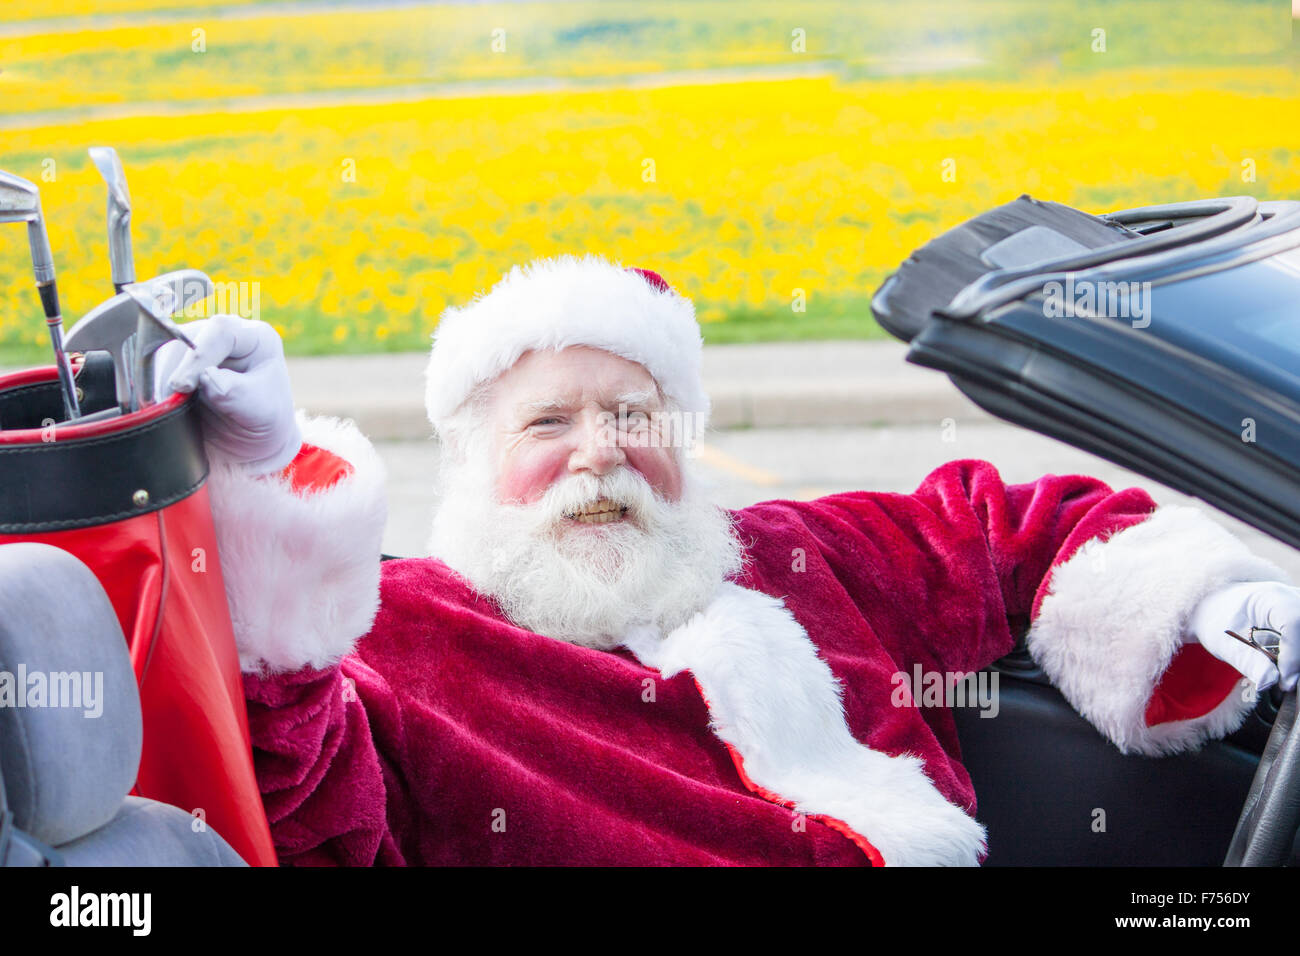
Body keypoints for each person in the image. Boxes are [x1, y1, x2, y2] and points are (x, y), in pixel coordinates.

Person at [157, 254, 1300, 866]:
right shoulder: (401, 631)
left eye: (635, 417)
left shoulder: (797, 553)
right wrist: (268, 482)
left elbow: (1006, 525)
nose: (599, 453)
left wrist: (1226, 607)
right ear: (471, 458)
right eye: (548, 423)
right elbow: (296, 793)